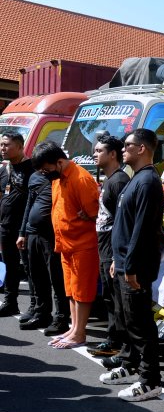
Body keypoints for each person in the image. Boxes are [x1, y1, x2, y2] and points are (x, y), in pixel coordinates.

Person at [100, 129, 164, 401]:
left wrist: (130, 267)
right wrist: (117, 259)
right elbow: (124, 226)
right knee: (126, 320)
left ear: (143, 149)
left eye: (128, 145)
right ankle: (128, 364)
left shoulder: (148, 181)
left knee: (140, 325)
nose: (122, 149)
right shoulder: (135, 179)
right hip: (123, 263)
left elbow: (142, 230)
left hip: (134, 268)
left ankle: (150, 380)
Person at [34, 141, 99, 349]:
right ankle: (73, 329)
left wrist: (86, 216)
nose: (45, 173)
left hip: (83, 244)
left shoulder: (81, 178)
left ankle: (80, 333)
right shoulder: (58, 178)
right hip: (65, 244)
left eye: (47, 169)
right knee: (70, 290)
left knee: (82, 292)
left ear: (60, 162)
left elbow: (96, 214)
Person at [86, 135, 129, 357]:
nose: (94, 154)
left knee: (118, 300)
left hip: (113, 250)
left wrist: (115, 257)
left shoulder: (119, 181)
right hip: (104, 248)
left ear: (113, 154)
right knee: (109, 298)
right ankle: (113, 340)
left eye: (99, 150)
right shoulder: (109, 179)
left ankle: (120, 345)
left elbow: (123, 222)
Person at [16, 163, 70, 332]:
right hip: (32, 234)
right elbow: (29, 205)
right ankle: (42, 314)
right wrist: (22, 232)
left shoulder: (59, 177)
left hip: (51, 236)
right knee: (37, 276)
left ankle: (61, 318)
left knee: (56, 278)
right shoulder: (34, 177)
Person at [0, 132, 34, 318]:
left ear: (20, 146)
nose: (2, 148)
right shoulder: (4, 169)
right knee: (9, 266)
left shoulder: (31, 169)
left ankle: (35, 306)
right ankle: (10, 302)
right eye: (1, 145)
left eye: (6, 145)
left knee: (29, 268)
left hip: (24, 229)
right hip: (5, 226)